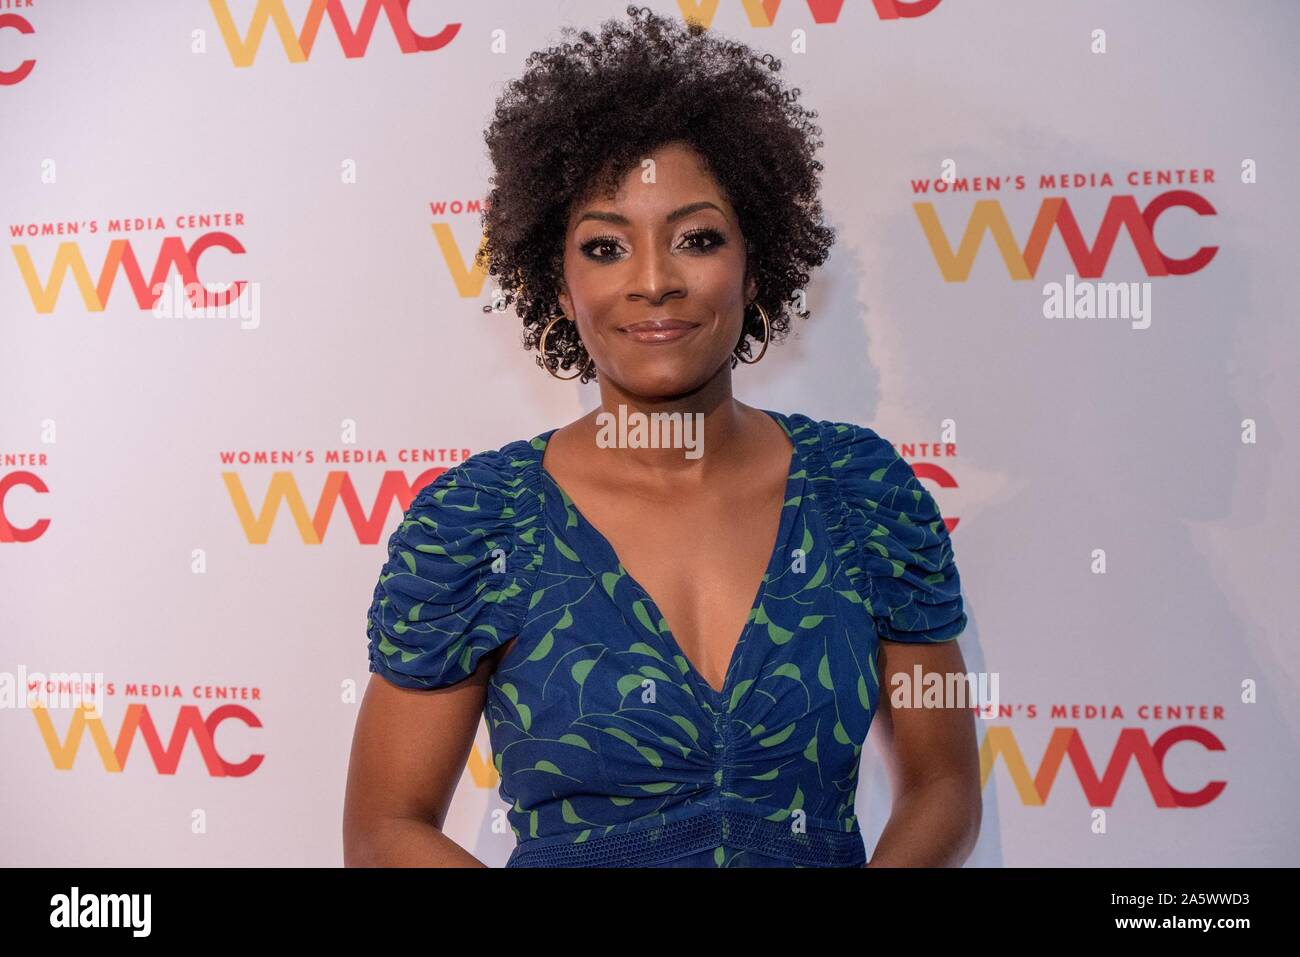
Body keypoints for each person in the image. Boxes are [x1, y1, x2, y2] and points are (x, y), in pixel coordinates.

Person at [343, 5, 979, 868]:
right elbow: (385, 829)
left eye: (697, 238)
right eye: (605, 247)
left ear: (755, 263)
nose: (653, 281)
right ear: (556, 283)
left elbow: (945, 784)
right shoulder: (477, 524)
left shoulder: (863, 493)